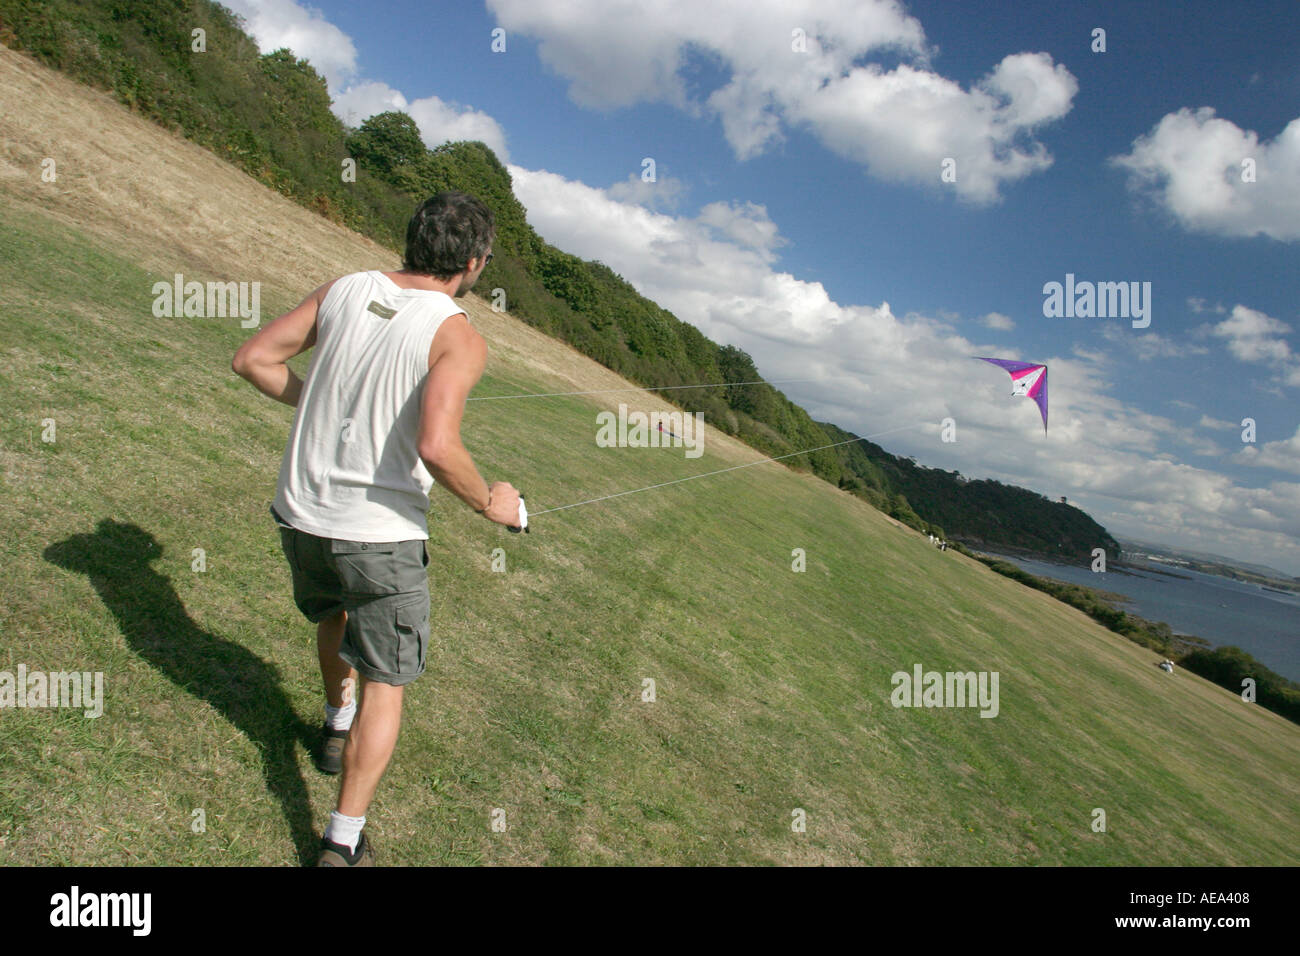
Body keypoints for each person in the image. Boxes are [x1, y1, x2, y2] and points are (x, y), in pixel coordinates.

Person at [232, 191, 521, 866]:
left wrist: (319, 403)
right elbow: (438, 447)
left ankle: (336, 724)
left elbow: (252, 359)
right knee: (385, 683)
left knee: (330, 615)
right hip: (379, 536)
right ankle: (341, 842)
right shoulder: (458, 335)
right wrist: (493, 504)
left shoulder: (344, 288)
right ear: (475, 263)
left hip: (301, 514)